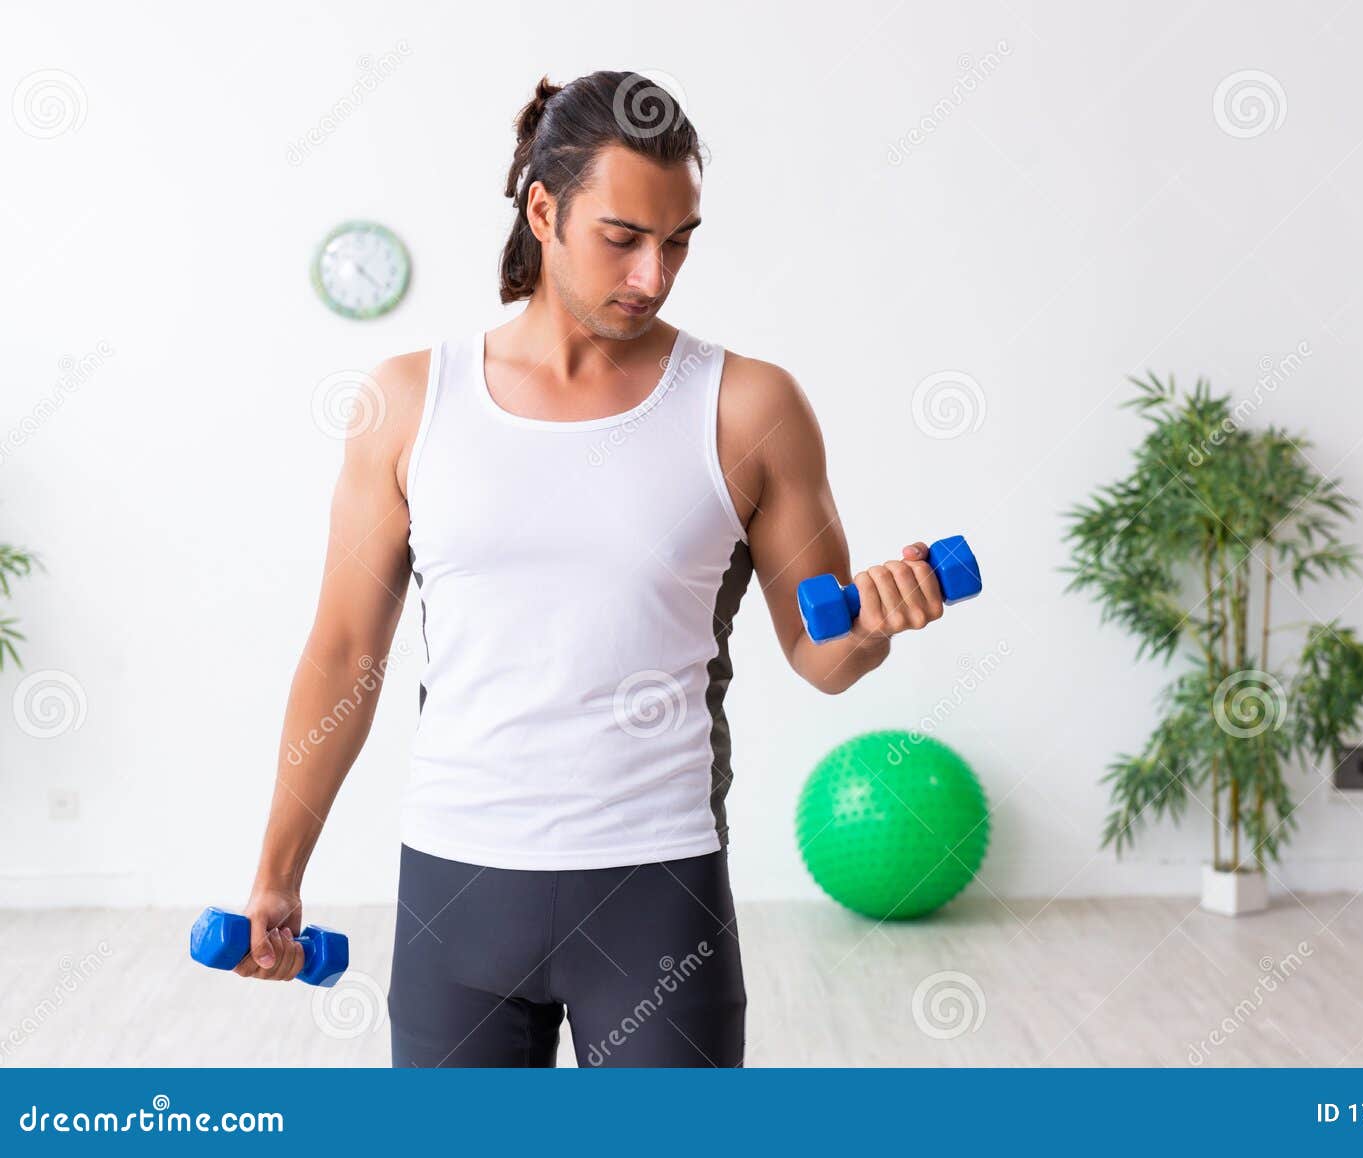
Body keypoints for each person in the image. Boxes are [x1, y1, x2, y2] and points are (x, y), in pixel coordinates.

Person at [235, 70, 951, 1067]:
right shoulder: (408, 405)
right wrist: (277, 874)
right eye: (623, 237)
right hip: (455, 895)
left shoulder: (749, 408)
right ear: (543, 209)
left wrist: (871, 624)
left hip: (657, 894)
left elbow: (820, 654)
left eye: (679, 240)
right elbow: (346, 652)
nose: (652, 275)